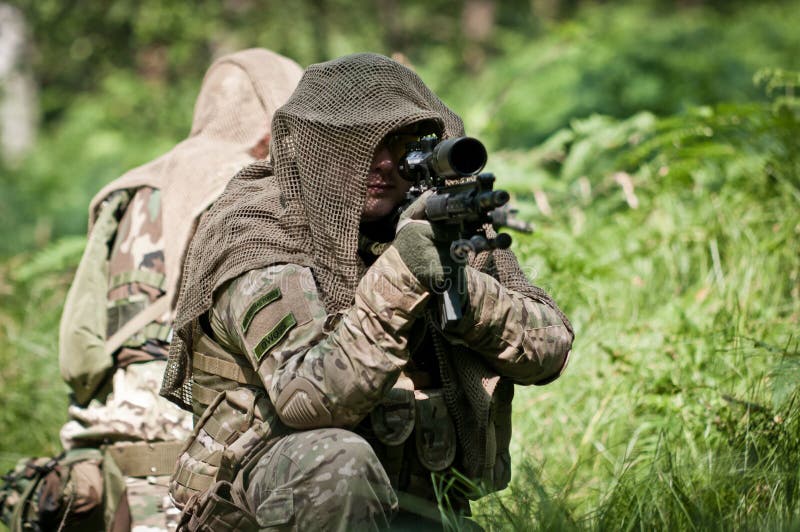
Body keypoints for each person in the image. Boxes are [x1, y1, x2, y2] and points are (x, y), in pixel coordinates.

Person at [161, 52, 574, 530]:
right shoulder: (260, 228)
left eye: (399, 145)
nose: (381, 163)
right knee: (338, 461)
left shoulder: (428, 217)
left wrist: (462, 289)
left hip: (415, 507)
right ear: (313, 147)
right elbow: (310, 400)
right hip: (273, 510)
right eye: (354, 145)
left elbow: (550, 349)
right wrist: (403, 274)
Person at [0, 48, 302, 532]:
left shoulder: (131, 189)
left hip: (111, 450)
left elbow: (78, 354)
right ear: (277, 121)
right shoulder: (261, 188)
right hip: (206, 453)